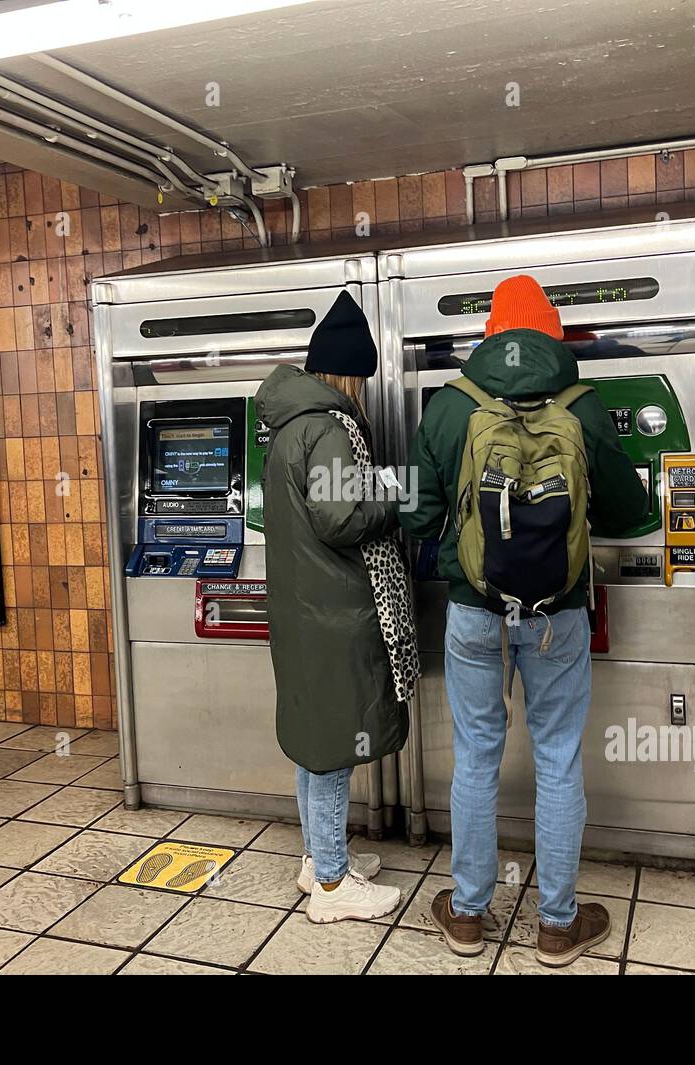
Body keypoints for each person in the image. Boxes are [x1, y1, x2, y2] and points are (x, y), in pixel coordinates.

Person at [400, 275, 647, 965]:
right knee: (558, 758)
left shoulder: (452, 406)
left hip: (474, 610)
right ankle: (559, 924)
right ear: (552, 336)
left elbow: (417, 514)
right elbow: (630, 510)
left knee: (476, 757)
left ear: (491, 336)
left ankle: (469, 914)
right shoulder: (582, 404)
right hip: (556, 615)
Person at [254, 290, 418, 924]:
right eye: (362, 377)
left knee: (313, 736)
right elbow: (340, 514)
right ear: (348, 373)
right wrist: (394, 494)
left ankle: (320, 857)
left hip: (303, 607)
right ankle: (329, 886)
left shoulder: (290, 426)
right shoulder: (330, 426)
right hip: (334, 608)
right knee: (329, 744)